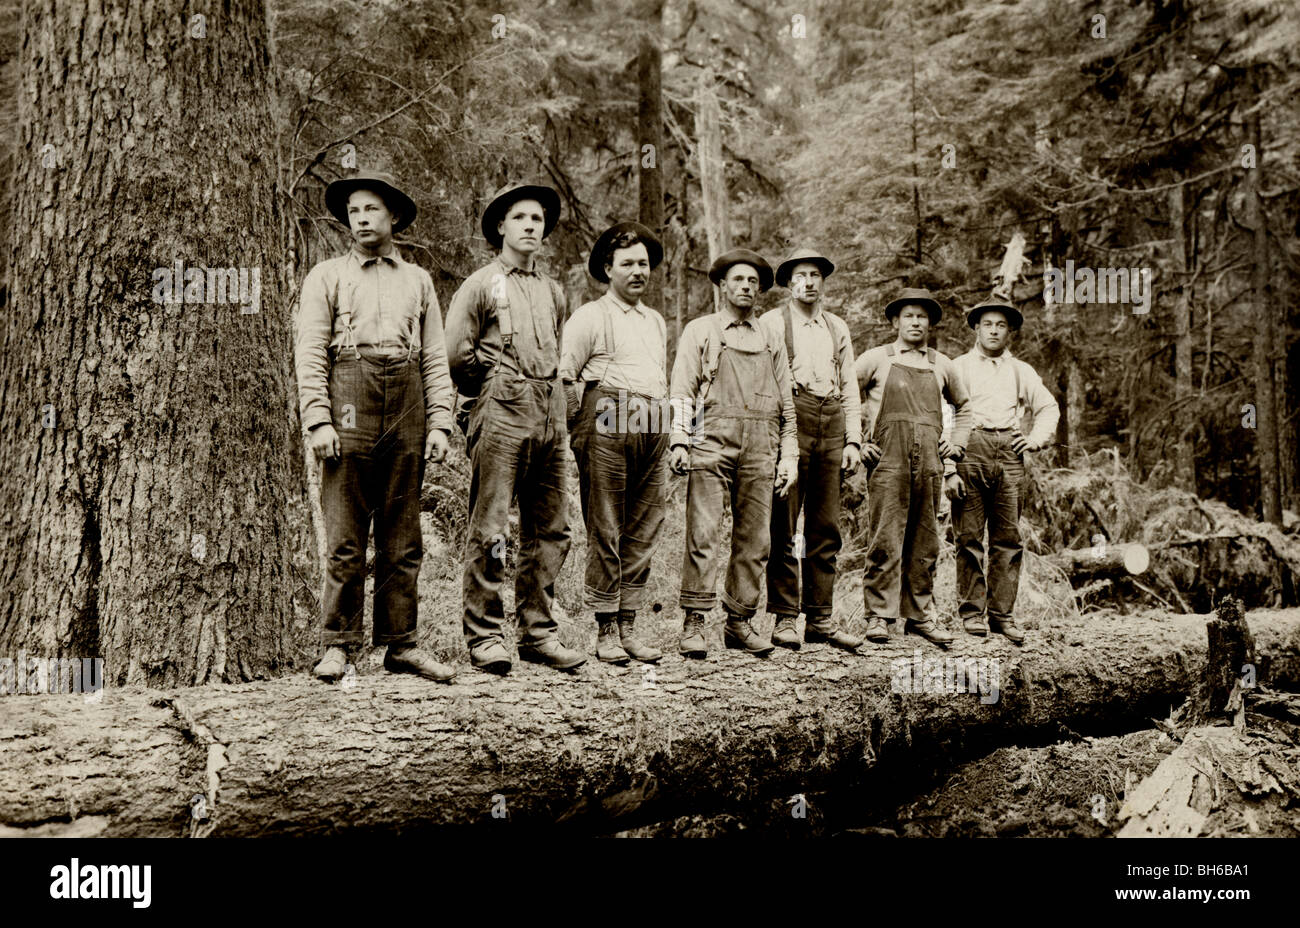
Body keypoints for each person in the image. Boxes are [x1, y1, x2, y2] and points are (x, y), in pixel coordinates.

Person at [296, 170, 456, 683]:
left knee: (402, 534)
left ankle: (400, 644)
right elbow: (310, 352)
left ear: (393, 218)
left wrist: (441, 423)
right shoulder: (327, 275)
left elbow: (434, 356)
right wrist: (318, 418)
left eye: (371, 210)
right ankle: (339, 644)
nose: (361, 219)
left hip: (407, 400)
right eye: (354, 212)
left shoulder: (419, 280)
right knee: (346, 532)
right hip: (348, 398)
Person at [444, 182, 585, 674]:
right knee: (492, 525)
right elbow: (455, 356)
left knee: (551, 527)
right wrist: (493, 385)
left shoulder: (553, 290)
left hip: (549, 408)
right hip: (501, 408)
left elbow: (557, 349)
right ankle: (484, 636)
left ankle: (537, 633)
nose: (530, 226)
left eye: (538, 219)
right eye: (520, 218)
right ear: (500, 227)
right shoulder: (481, 284)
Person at [669, 249, 798, 659]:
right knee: (703, 534)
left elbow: (787, 402)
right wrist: (678, 440)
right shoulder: (701, 330)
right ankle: (694, 622)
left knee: (756, 538)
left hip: (762, 446)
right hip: (710, 440)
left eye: (753, 282)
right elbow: (681, 390)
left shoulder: (770, 337)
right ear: (722, 286)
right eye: (738, 280)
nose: (746, 287)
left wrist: (788, 455)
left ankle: (739, 621)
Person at [560, 221, 669, 665]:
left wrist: (676, 430)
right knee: (606, 520)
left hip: (654, 416)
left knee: (645, 523)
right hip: (607, 412)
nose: (637, 272)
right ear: (608, 269)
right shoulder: (590, 315)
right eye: (627, 264)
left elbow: (660, 378)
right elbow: (565, 376)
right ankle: (604, 627)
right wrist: (576, 431)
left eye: (643, 264)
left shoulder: (656, 321)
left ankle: (629, 625)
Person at [760, 248, 864, 651]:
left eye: (816, 275)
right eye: (801, 275)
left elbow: (851, 385)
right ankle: (785, 617)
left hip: (832, 421)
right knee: (783, 525)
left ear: (823, 282)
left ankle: (820, 618)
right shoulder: (772, 323)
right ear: (789, 282)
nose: (809, 282)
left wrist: (852, 439)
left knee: (825, 527)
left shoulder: (836, 327)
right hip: (791, 423)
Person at [855, 287, 970, 648]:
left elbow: (965, 408)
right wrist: (858, 441)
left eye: (922, 316)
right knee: (885, 538)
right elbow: (844, 395)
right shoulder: (876, 359)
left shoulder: (942, 364)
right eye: (909, 316)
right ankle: (878, 617)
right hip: (888, 462)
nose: (916, 322)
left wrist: (958, 444)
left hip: (931, 465)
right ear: (895, 321)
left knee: (925, 542)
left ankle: (920, 616)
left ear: (930, 323)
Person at [946, 300, 1060, 644]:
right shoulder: (958, 367)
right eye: (987, 324)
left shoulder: (1020, 371)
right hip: (970, 448)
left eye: (1001, 325)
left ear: (1010, 331)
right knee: (967, 536)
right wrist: (949, 465)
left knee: (1007, 538)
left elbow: (1047, 407)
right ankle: (970, 614)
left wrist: (1036, 440)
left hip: (1009, 452)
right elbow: (943, 414)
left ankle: (1001, 616)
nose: (994, 330)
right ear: (976, 329)